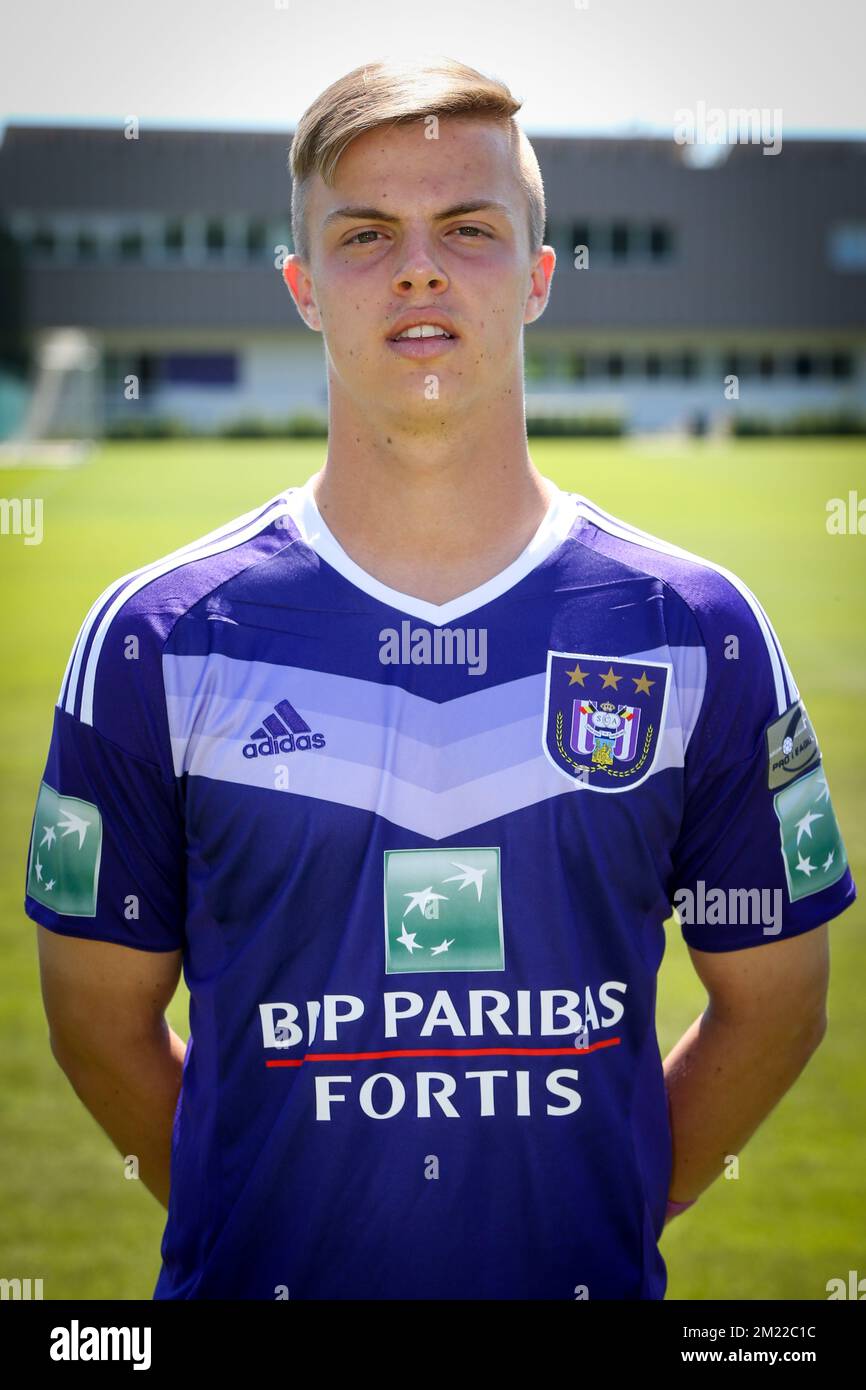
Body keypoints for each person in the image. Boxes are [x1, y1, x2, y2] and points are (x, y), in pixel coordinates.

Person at [25, 56, 856, 1301]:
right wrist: (252, 1210)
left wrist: (618, 1203)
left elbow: (777, 1003)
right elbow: (96, 1023)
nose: (419, 268)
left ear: (534, 276)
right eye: (366, 234)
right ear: (303, 287)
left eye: (466, 229)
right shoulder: (159, 634)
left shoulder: (696, 629)